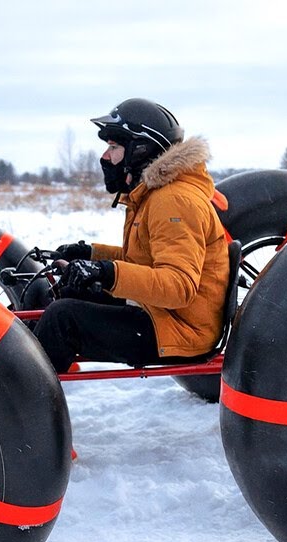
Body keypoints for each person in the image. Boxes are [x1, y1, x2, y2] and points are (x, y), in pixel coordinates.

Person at [33, 98, 229, 373]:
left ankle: (22, 410)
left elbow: (178, 287)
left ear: (140, 150)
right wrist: (90, 254)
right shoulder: (154, 195)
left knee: (62, 319)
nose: (105, 156)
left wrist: (105, 272)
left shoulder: (173, 201)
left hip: (181, 331)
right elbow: (142, 259)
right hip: (162, 316)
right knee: (71, 293)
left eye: (113, 147)